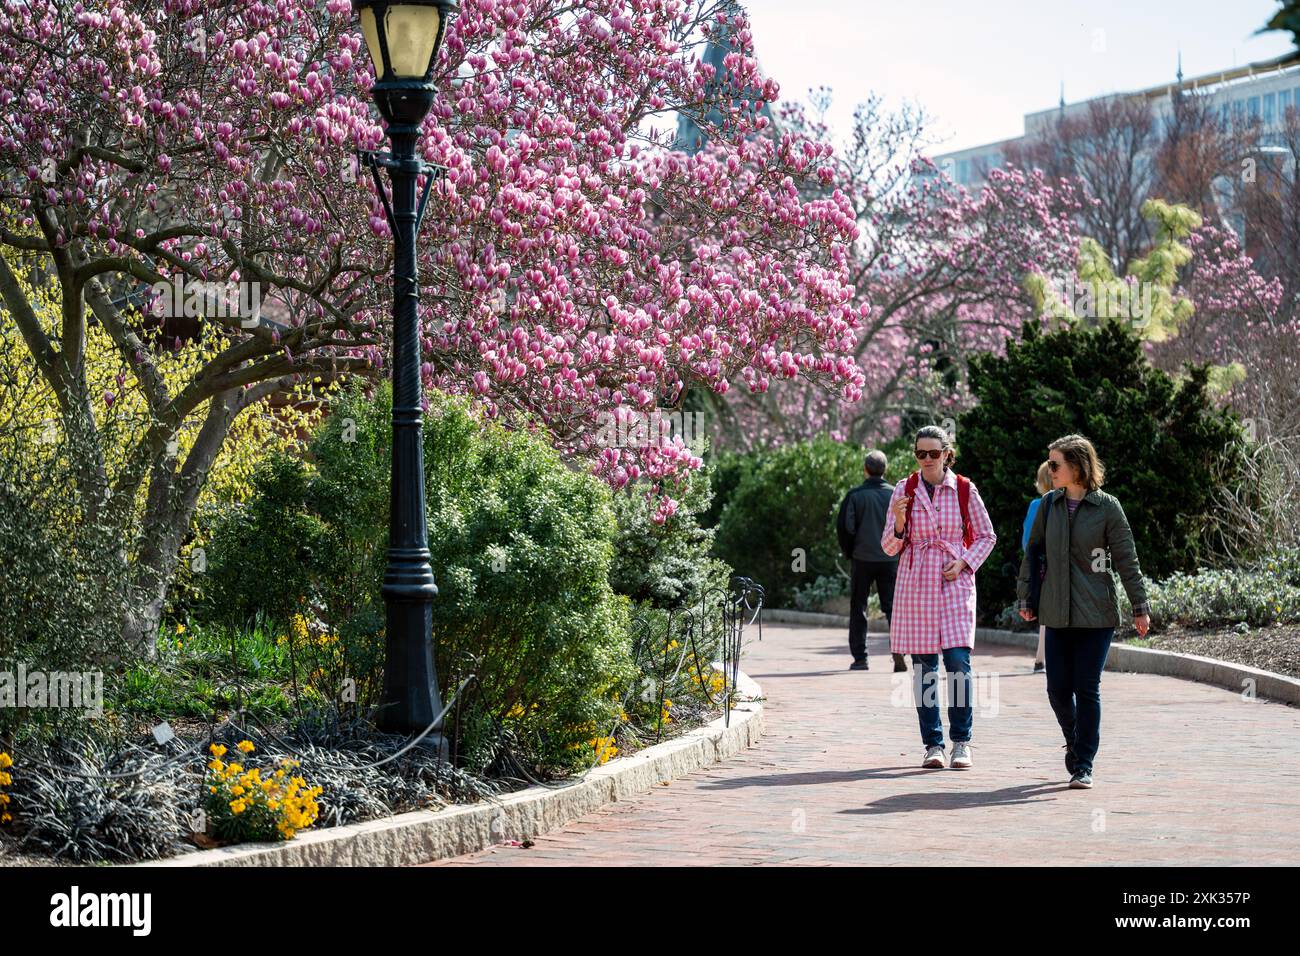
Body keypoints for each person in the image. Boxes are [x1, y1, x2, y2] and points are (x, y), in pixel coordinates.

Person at [1017, 434, 1151, 789]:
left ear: (1077, 466)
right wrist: (1026, 598)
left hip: (1097, 613)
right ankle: (1075, 740)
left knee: (1086, 687)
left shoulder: (1107, 507)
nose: (1050, 469)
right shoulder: (1049, 505)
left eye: (1056, 463)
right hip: (1055, 610)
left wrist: (1140, 606)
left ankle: (1083, 764)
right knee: (1058, 689)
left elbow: (1126, 559)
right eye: (1049, 463)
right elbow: (1033, 553)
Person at [880, 425, 997, 770]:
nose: (927, 460)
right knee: (924, 670)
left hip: (955, 584)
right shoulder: (904, 488)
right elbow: (888, 547)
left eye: (934, 453)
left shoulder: (964, 489)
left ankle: (961, 741)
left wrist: (964, 562)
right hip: (916, 585)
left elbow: (987, 536)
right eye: (921, 454)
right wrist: (900, 522)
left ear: (947, 454)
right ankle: (933, 744)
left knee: (959, 663)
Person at [837, 450, 906, 672]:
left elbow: (845, 528)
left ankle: (860, 658)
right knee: (893, 607)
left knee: (859, 607)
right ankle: (898, 650)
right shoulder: (895, 495)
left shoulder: (854, 496)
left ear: (865, 469)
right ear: (885, 469)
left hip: (862, 558)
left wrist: (850, 552)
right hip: (891, 559)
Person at [1021, 460, 1053, 673]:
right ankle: (1043, 658)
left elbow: (1027, 541)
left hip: (1042, 565)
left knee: (1046, 613)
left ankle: (1041, 657)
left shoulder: (1037, 505)